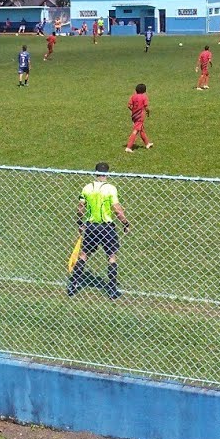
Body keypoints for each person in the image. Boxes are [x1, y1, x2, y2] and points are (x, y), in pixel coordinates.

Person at [68, 161, 130, 299]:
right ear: (107, 173)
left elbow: (80, 208)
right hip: (106, 227)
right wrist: (125, 223)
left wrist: (80, 222)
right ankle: (112, 290)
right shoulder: (110, 189)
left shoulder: (87, 188)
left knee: (84, 255)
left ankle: (73, 285)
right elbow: (117, 209)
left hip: (90, 227)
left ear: (95, 173)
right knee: (111, 257)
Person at [125, 83, 152, 153]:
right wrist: (148, 112)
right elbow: (146, 107)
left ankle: (147, 143)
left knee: (141, 129)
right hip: (140, 116)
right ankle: (128, 147)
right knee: (136, 130)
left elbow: (129, 105)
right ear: (144, 90)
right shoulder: (144, 97)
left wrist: (133, 110)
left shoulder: (133, 96)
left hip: (134, 115)